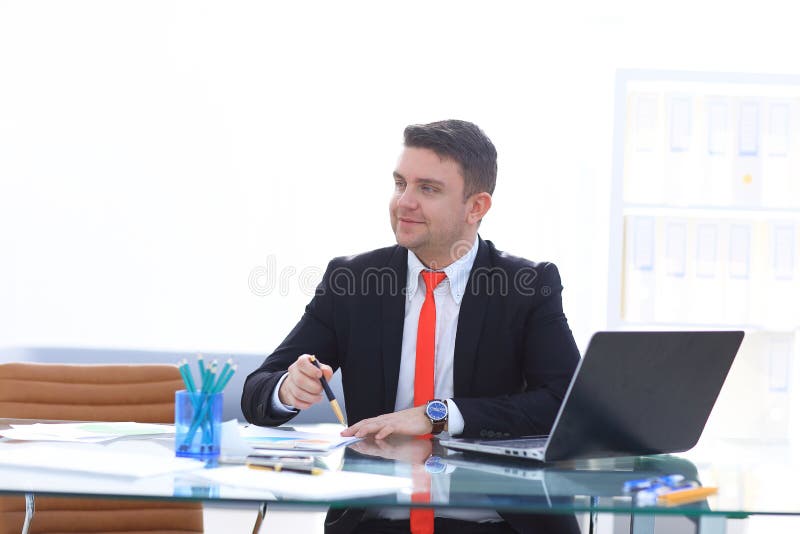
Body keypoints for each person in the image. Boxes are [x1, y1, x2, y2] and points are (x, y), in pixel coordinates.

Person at [242, 119, 581, 534]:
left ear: (476, 207)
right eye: (400, 183)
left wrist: (438, 415)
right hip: (377, 522)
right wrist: (287, 390)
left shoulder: (526, 285)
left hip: (493, 523)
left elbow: (566, 405)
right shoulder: (352, 281)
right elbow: (257, 392)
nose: (404, 202)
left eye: (428, 189)